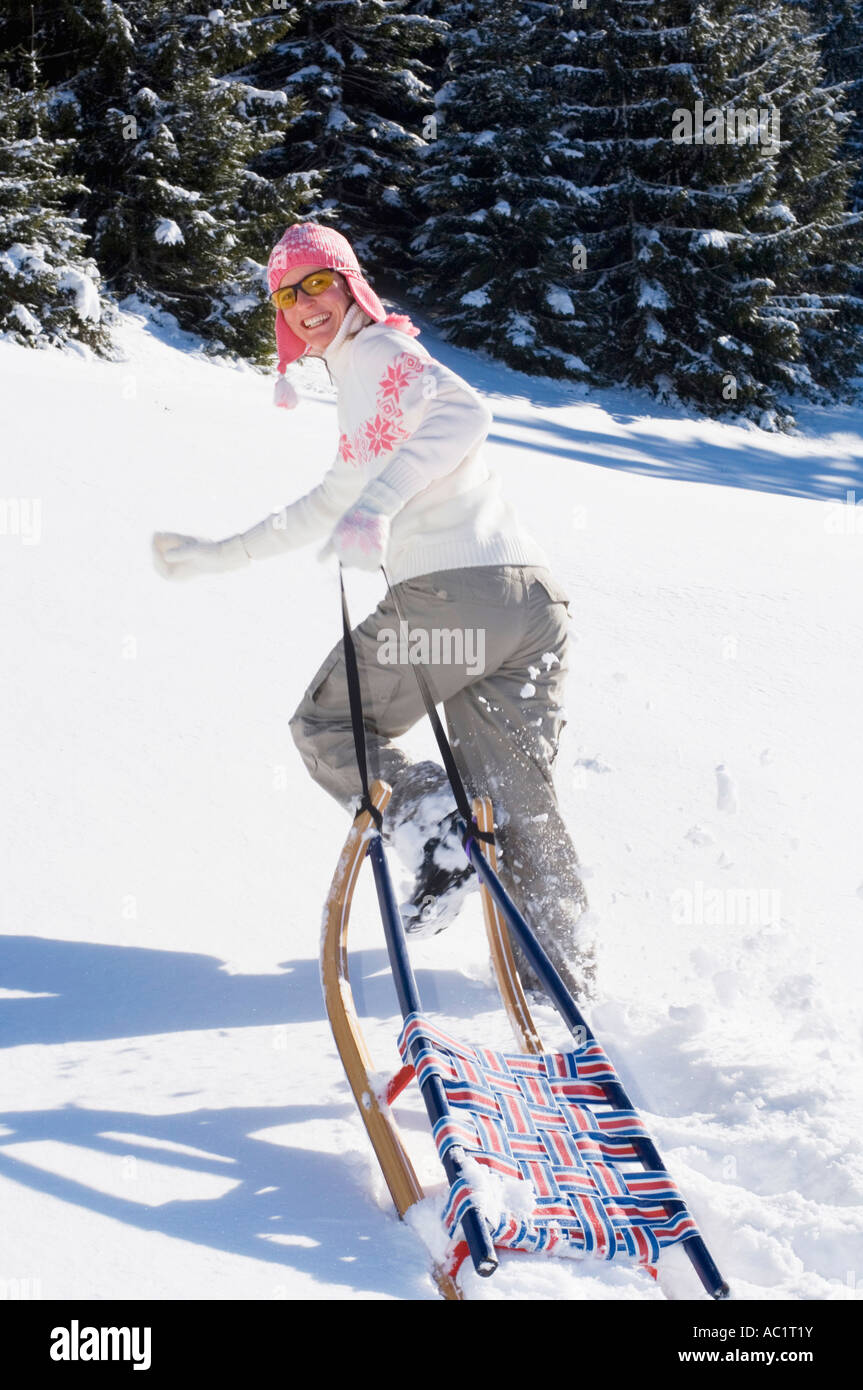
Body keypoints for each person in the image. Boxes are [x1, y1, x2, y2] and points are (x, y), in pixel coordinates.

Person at [152, 222, 595, 999]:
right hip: (530, 603)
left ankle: (431, 824)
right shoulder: (365, 384)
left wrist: (381, 506)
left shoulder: (377, 353)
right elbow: (328, 500)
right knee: (517, 806)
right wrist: (219, 553)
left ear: (349, 284)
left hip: (452, 599)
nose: (302, 304)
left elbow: (463, 413)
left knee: (326, 726)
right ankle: (564, 980)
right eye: (285, 295)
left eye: (315, 282)